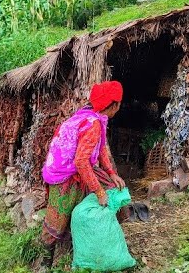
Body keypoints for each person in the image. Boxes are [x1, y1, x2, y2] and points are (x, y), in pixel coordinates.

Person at [39, 80, 127, 252]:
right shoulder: (92, 123)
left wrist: (111, 173)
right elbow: (80, 161)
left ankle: (95, 238)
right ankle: (45, 260)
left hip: (79, 166)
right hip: (64, 172)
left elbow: (100, 147)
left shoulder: (94, 115)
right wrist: (99, 192)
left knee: (113, 190)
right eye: (119, 103)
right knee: (57, 220)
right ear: (114, 105)